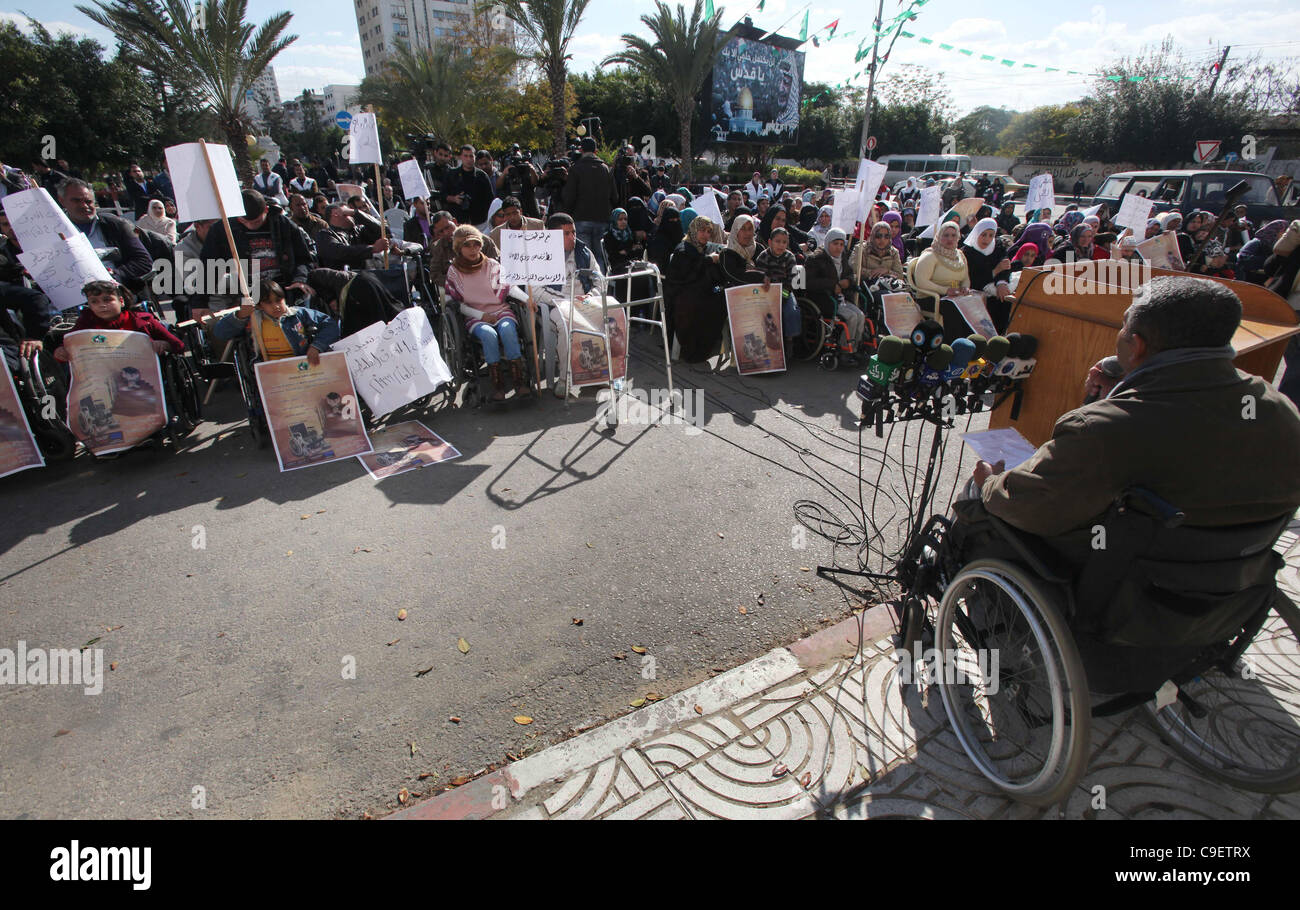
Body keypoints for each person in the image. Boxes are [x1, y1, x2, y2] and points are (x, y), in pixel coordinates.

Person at [965, 277, 1300, 574]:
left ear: (1136, 345)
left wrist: (991, 483)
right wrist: (1120, 397)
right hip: (1228, 588)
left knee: (978, 495)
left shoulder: (1102, 429)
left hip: (1119, 590)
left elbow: (1028, 504)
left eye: (1123, 328)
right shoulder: (1278, 409)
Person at [446, 224, 528, 402]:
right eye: (467, 245)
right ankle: (497, 385)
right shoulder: (454, 271)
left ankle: (519, 381)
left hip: (500, 310)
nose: (473, 249)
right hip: (475, 316)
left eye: (476, 244)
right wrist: (481, 316)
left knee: (508, 329)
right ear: (459, 248)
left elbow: (509, 287)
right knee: (489, 334)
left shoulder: (491, 264)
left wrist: (527, 300)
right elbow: (456, 304)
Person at [199, 189, 314, 305]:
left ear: (266, 210)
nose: (250, 226)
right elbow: (209, 267)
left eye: (256, 221)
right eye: (244, 222)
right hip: (247, 297)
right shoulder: (222, 230)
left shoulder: (283, 225)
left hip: (285, 293)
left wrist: (300, 279)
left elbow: (304, 259)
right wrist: (200, 303)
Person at [59, 179, 154, 296]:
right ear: (62, 201)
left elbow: (144, 261)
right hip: (73, 294)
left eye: (88, 201)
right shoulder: (53, 231)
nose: (84, 206)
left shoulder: (115, 225)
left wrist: (115, 274)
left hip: (115, 291)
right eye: (76, 201)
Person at [211, 279, 340, 364]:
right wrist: (240, 315)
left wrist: (316, 346)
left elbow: (330, 324)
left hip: (300, 364)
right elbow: (220, 333)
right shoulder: (253, 319)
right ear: (260, 305)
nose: (276, 306)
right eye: (268, 302)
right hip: (267, 371)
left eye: (279, 300)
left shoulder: (297, 314)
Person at [52, 279, 184, 363]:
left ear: (121, 301)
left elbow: (178, 345)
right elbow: (69, 349)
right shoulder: (85, 324)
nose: (102, 305)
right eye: (94, 302)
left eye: (107, 300)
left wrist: (163, 344)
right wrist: (61, 352)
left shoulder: (143, 320)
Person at [665, 216, 726, 363]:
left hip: (701, 291)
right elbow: (685, 276)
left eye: (708, 231)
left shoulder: (703, 248)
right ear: (694, 230)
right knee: (697, 306)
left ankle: (706, 346)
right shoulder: (683, 250)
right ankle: (692, 349)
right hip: (681, 293)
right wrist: (708, 260)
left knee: (720, 296)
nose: (706, 235)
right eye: (702, 231)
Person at [805, 227, 865, 356]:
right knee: (851, 317)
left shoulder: (843, 258)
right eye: (835, 244)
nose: (839, 248)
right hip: (824, 299)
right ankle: (845, 349)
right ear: (828, 243)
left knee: (860, 315)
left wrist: (848, 281)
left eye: (841, 244)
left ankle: (855, 347)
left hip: (840, 299)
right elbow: (808, 282)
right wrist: (832, 284)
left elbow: (851, 275)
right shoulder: (816, 259)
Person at [560, 137, 617, 271]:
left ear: (581, 150)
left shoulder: (576, 169)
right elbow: (615, 196)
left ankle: (589, 287)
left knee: (585, 256)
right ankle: (601, 286)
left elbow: (569, 197)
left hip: (581, 218)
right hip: (602, 219)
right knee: (600, 257)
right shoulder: (605, 169)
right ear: (596, 151)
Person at [754, 227, 802, 345]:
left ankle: (790, 340)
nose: (781, 245)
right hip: (766, 292)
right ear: (770, 242)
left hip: (785, 291)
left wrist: (783, 296)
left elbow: (792, 281)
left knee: (792, 311)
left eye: (784, 242)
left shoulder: (790, 257)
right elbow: (760, 276)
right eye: (777, 241)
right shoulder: (763, 257)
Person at [314, 203, 391, 270]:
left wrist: (356, 213)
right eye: (348, 213)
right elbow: (340, 252)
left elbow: (384, 230)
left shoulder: (358, 230)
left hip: (365, 273)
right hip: (342, 277)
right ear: (336, 213)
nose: (352, 216)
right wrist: (372, 249)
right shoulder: (325, 235)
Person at [911, 221, 970, 309]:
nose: (950, 239)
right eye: (946, 235)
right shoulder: (930, 255)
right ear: (939, 236)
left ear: (958, 237)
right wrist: (946, 291)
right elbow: (921, 281)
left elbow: (965, 278)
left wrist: (965, 288)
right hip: (931, 297)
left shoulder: (960, 255)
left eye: (953, 235)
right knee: (954, 308)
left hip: (955, 295)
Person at [443, 145, 496, 230]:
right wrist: (454, 199)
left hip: (480, 222)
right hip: (458, 221)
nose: (468, 159)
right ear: (461, 157)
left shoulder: (482, 176)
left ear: (475, 158)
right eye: (465, 156)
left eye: (471, 156)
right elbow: (443, 195)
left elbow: (490, 200)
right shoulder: (451, 174)